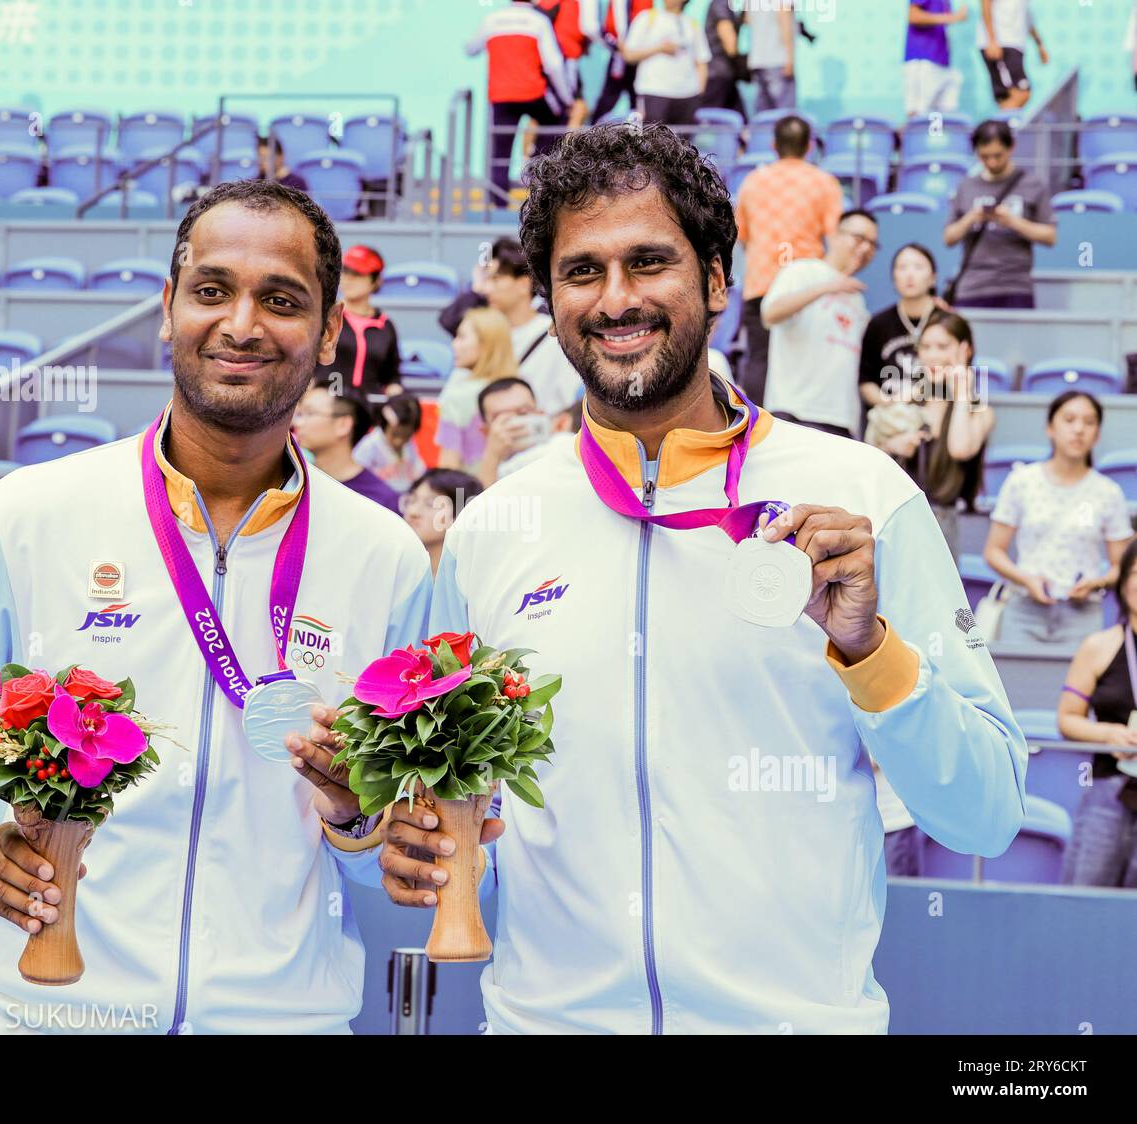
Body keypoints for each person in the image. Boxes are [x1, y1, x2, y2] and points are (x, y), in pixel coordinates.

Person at [379, 122, 1026, 1035]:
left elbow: (988, 814)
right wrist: (407, 839)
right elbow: (459, 801)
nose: (616, 300)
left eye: (650, 262)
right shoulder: (497, 526)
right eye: (582, 270)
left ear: (719, 279)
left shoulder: (860, 497)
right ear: (550, 296)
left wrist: (869, 650)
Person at [0, 178, 432, 1034]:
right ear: (168, 308)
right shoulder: (28, 515)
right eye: (211, 290)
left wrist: (356, 816)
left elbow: (396, 853)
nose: (241, 324)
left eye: (281, 299)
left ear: (328, 338)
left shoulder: (384, 557)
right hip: (48, 1017)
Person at [985, 391, 1134, 648]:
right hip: (1023, 611)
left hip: (1082, 615)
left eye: (1089, 422)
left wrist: (1096, 582)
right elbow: (993, 552)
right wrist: (1026, 579)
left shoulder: (1108, 492)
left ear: (1097, 435)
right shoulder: (1022, 482)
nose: (1079, 429)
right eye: (1069, 419)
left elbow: (1121, 566)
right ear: (1050, 428)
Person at [734, 114, 841, 408]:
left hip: (760, 285)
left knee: (760, 360)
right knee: (805, 366)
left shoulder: (752, 182)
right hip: (804, 293)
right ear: (809, 146)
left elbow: (741, 236)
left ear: (773, 145)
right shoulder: (824, 182)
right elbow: (837, 239)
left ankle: (752, 436)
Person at [870, 313, 993, 561]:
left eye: (942, 347)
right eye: (925, 347)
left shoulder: (980, 411)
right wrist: (891, 445)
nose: (932, 356)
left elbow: (960, 449)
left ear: (964, 349)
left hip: (941, 524)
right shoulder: (906, 398)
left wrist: (962, 391)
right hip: (893, 517)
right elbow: (869, 454)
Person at [1057, 540, 1137, 887]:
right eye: (1134, 572)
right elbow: (1067, 718)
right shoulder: (1098, 646)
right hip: (1109, 789)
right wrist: (1110, 734)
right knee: (1086, 901)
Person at [760, 209, 878, 439]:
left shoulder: (857, 298)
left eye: (872, 244)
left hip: (843, 420)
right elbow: (770, 313)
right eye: (859, 238)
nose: (865, 248)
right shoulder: (802, 271)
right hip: (796, 411)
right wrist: (828, 286)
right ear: (834, 235)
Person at [466, 0, 573, 206]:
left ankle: (498, 203)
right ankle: (538, 176)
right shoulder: (538, 21)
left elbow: (471, 48)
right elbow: (554, 64)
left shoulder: (491, 20)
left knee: (500, 152)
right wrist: (566, 98)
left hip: (501, 96)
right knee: (555, 125)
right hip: (533, 93)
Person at [943, 118, 1056, 310]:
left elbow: (1050, 236)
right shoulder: (966, 186)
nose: (992, 162)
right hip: (972, 287)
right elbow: (948, 238)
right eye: (984, 156)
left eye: (998, 155)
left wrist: (1012, 221)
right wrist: (971, 217)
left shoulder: (1033, 184)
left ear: (1011, 147)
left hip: (1016, 287)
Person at [485, 239, 583, 417]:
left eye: (496, 279)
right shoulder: (487, 335)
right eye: (488, 279)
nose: (487, 289)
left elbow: (566, 402)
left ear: (523, 284)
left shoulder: (554, 336)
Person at [293, 380, 403, 515]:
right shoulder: (293, 484)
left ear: (343, 425)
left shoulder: (379, 501)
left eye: (309, 413)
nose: (297, 423)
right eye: (299, 414)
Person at [859, 244, 943, 415]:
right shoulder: (878, 324)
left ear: (933, 277)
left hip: (936, 415)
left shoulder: (947, 321)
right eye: (902, 268)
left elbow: (960, 373)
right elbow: (865, 380)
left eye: (918, 267)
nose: (909, 275)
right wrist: (892, 405)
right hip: (889, 421)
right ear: (893, 277)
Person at [436, 307, 519, 476]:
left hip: (469, 496)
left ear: (485, 344)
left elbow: (449, 467)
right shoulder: (521, 392)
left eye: (461, 337)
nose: (454, 344)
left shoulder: (457, 396)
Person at [313, 244, 402, 399]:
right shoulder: (324, 316)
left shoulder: (385, 326)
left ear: (376, 280)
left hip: (367, 410)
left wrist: (397, 395)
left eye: (358, 273)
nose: (348, 278)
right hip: (325, 407)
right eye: (345, 271)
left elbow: (391, 376)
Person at [622, 0, 711, 128]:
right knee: (653, 141)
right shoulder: (647, 18)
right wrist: (659, 48)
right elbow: (628, 55)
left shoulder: (691, 23)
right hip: (654, 92)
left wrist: (698, 92)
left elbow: (702, 61)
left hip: (687, 95)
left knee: (684, 144)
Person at [473, 376, 558, 487]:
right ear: (485, 431)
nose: (514, 424)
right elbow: (481, 502)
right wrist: (491, 457)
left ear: (541, 415)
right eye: (501, 419)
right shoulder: (480, 471)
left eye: (522, 413)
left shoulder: (563, 448)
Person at [401, 468, 484, 575]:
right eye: (412, 500)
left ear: (461, 515)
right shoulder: (396, 571)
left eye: (431, 504)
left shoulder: (469, 582)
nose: (413, 512)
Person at [533, 0, 601, 129]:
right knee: (579, 108)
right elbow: (590, 28)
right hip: (564, 60)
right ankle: (567, 148)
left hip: (546, 61)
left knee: (541, 115)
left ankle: (530, 150)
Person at [590, 0, 655, 124]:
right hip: (623, 54)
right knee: (610, 97)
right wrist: (620, 45)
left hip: (638, 54)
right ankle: (593, 135)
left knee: (637, 100)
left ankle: (638, 136)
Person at [977, 0, 1047, 111]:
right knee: (1021, 93)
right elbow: (985, 3)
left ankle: (1003, 126)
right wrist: (992, 40)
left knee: (1006, 97)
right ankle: (993, 127)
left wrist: (1039, 45)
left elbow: (1026, 17)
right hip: (1001, 43)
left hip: (1015, 44)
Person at [353, 392, 427, 494]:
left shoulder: (410, 445)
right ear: (384, 425)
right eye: (394, 435)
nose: (399, 441)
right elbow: (355, 480)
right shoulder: (369, 446)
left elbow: (419, 472)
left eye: (406, 436)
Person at [904, 2, 968, 117]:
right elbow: (913, 16)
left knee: (942, 118)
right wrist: (952, 17)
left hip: (942, 62)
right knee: (918, 117)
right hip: (923, 60)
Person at [743, 0, 796, 112]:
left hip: (757, 60)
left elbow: (747, 20)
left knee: (764, 115)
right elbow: (785, 24)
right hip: (777, 60)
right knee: (785, 115)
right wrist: (790, 59)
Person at [700, 0, 745, 118]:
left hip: (722, 73)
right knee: (709, 122)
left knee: (739, 123)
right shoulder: (720, 4)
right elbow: (730, 44)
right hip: (718, 73)